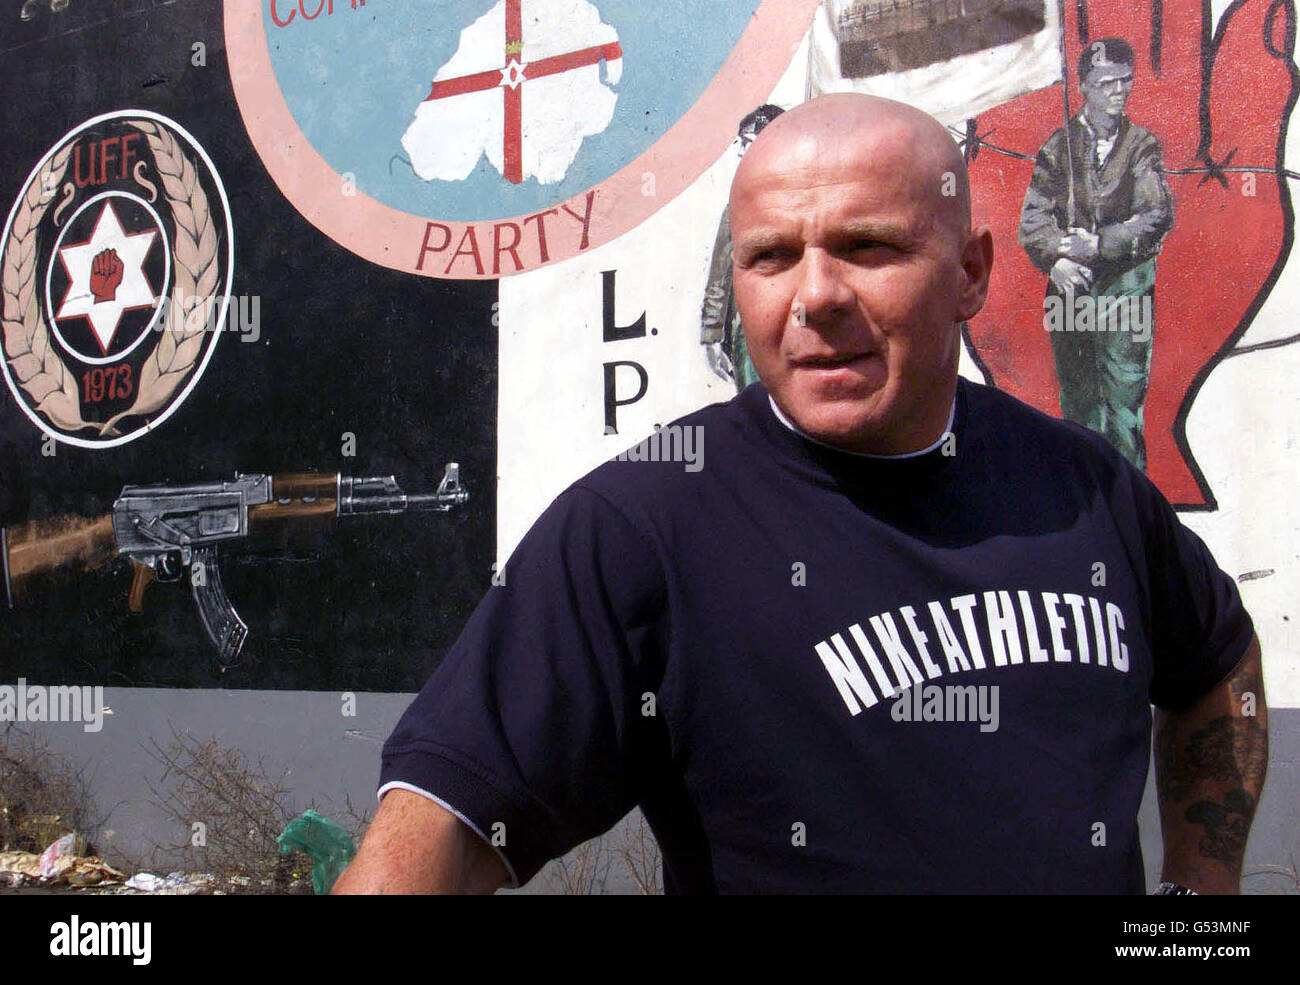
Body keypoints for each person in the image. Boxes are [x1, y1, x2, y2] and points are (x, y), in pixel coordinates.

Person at [334, 94, 1265, 894]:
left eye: (867, 247)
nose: (814, 297)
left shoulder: (1087, 486)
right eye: (771, 257)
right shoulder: (645, 524)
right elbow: (444, 824)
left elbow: (1218, 663)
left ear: (972, 272)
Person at [1018, 37, 1175, 471]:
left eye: (1126, 81)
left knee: (1123, 407)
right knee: (1079, 406)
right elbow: (1032, 223)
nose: (1119, 91)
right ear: (1084, 86)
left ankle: (1129, 505)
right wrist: (1057, 259)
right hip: (1070, 296)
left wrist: (1099, 244)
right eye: (1107, 83)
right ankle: (1091, 511)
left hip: (1124, 295)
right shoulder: (1058, 146)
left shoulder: (1142, 146)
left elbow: (1155, 215)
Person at [701, 103, 784, 390]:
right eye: (740, 144)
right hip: (748, 331)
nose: (739, 152)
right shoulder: (739, 205)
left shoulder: (804, 197)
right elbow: (720, 274)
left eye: (746, 144)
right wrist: (711, 334)